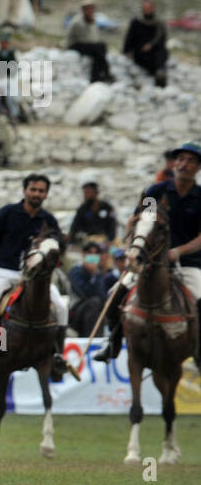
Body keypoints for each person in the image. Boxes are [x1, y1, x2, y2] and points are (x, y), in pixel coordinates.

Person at [94, 141, 201, 362]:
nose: (183, 164)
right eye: (180, 159)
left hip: (188, 262)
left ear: (198, 167)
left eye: (191, 161)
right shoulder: (156, 192)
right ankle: (112, 343)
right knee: (115, 294)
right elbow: (139, 221)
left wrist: (177, 252)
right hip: (150, 261)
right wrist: (132, 247)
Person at [0, 173, 68, 371]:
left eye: (41, 191)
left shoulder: (48, 220)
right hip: (2, 272)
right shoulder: (8, 212)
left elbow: (58, 246)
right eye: (33, 189)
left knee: (61, 307)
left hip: (33, 278)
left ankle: (57, 355)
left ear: (46, 194)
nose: (37, 194)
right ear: (25, 191)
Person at [68, 241, 113, 335]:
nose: (93, 256)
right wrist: (93, 274)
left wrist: (95, 275)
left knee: (100, 304)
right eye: (90, 253)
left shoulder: (97, 273)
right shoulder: (75, 271)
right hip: (75, 313)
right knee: (94, 302)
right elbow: (84, 294)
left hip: (94, 310)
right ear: (84, 254)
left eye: (96, 253)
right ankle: (92, 337)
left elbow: (103, 296)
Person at [67, 0, 115, 83]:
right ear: (84, 10)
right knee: (98, 49)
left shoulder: (92, 20)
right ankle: (105, 73)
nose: (90, 11)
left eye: (92, 9)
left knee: (100, 50)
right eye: (88, 9)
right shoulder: (78, 22)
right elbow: (83, 38)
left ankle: (97, 76)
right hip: (75, 44)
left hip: (87, 44)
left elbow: (94, 37)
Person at [122, 0, 169, 86]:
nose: (148, 10)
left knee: (160, 55)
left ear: (153, 9)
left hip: (155, 50)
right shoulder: (136, 22)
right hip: (140, 50)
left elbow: (162, 38)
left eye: (149, 8)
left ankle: (160, 76)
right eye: (146, 8)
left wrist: (151, 45)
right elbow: (129, 37)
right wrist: (127, 51)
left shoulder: (158, 23)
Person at [0, 25, 24, 121]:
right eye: (3, 42)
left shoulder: (10, 53)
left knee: (14, 94)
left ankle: (15, 114)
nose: (5, 45)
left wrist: (9, 74)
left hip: (8, 78)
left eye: (6, 43)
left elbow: (14, 66)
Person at [68, 177, 117, 246]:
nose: (86, 195)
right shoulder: (82, 209)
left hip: (105, 240)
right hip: (88, 240)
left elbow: (113, 225)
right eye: (84, 193)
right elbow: (74, 227)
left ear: (96, 192)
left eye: (88, 192)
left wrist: (110, 240)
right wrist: (71, 241)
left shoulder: (107, 207)